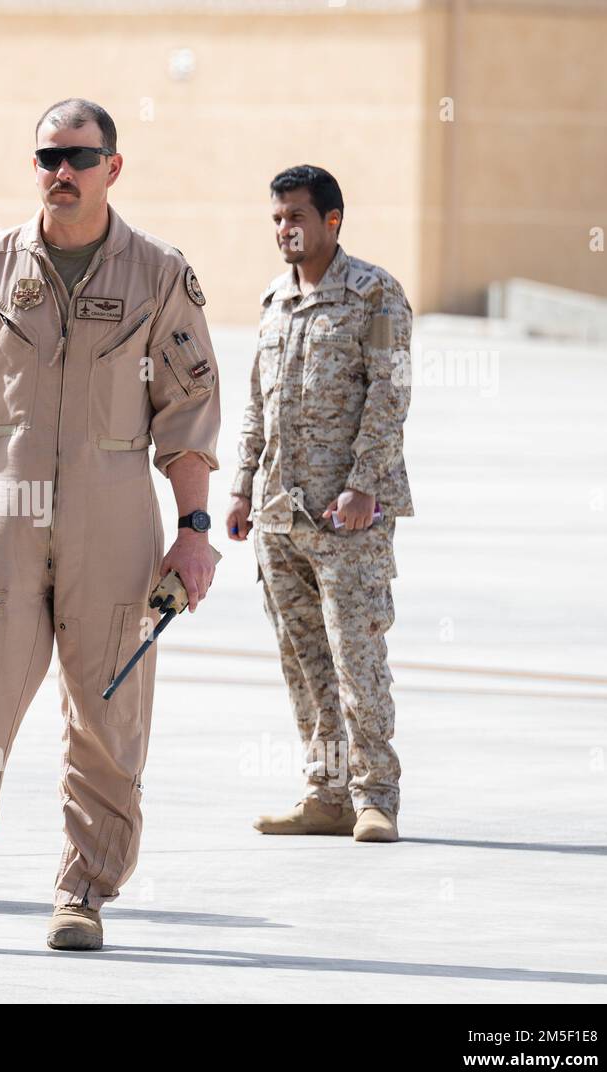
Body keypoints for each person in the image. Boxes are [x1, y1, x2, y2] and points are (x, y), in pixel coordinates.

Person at [0, 100, 221, 953]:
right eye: (47, 157)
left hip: (113, 519)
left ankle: (83, 894)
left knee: (107, 719)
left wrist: (191, 530)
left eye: (79, 156)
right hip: (4, 511)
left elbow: (186, 412)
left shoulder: (157, 274)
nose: (61, 172)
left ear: (114, 166)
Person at [226, 165, 412, 844]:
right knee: (303, 661)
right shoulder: (275, 300)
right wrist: (243, 486)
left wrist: (365, 485)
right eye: (277, 218)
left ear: (333, 219)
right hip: (280, 515)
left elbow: (390, 398)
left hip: (348, 516)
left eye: (297, 217)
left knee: (356, 660)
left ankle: (376, 798)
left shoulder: (374, 294)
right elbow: (257, 402)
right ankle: (326, 792)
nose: (285, 230)